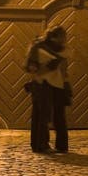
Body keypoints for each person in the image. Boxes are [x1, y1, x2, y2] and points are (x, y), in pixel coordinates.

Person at [25, 26, 70, 154]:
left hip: (57, 84)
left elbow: (63, 68)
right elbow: (32, 67)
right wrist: (45, 67)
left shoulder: (62, 49)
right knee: (42, 116)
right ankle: (40, 145)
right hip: (42, 84)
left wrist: (65, 80)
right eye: (63, 36)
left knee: (58, 116)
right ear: (55, 37)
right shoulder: (38, 48)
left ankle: (61, 146)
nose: (65, 39)